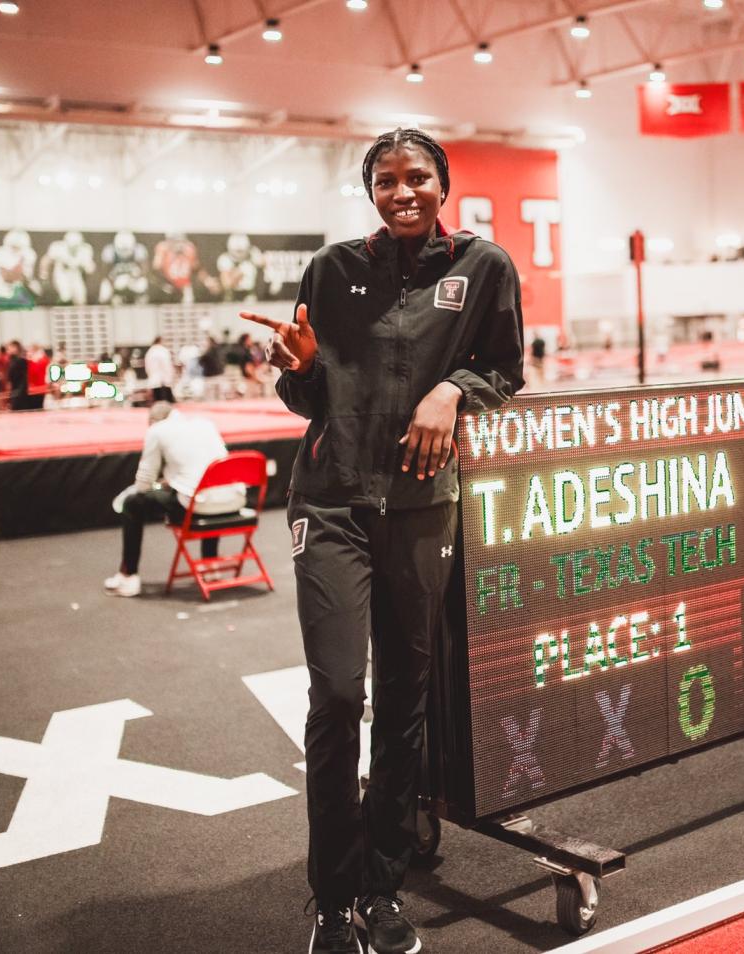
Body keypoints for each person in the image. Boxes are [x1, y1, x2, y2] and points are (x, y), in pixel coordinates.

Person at [240, 128, 524, 954]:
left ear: (443, 183)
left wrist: (452, 390)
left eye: (418, 178)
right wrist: (297, 370)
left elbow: (504, 369)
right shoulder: (331, 269)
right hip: (329, 503)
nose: (403, 192)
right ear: (370, 189)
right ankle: (331, 899)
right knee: (337, 697)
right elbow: (310, 400)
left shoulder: (484, 267)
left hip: (420, 505)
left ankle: (381, 888)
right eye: (387, 181)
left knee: (406, 701)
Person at [104, 402, 242, 597]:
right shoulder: (205, 424)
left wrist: (158, 485)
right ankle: (210, 566)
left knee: (132, 503)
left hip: (199, 505)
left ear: (152, 421)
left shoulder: (157, 430)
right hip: (233, 500)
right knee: (206, 489)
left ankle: (128, 575)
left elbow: (144, 482)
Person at [0, 230, 39, 310]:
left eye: (19, 247)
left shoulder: (30, 254)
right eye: (13, 246)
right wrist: (21, 264)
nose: (16, 249)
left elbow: (26, 278)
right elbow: (8, 278)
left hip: (18, 294)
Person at [40, 231, 96, 305]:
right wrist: (44, 274)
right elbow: (46, 260)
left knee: (81, 299)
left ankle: (79, 315)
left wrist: (88, 268)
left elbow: (90, 267)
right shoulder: (58, 247)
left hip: (76, 275)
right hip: (61, 274)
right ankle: (60, 312)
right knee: (65, 296)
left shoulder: (85, 249)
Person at [144, 336, 176, 404]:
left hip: (154, 382)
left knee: (157, 403)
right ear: (160, 341)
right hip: (163, 383)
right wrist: (170, 378)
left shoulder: (150, 352)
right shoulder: (163, 351)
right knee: (166, 404)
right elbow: (167, 366)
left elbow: (147, 368)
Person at [5, 341, 30, 411]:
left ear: (15, 348)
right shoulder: (12, 361)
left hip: (19, 393)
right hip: (15, 392)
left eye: (10, 348)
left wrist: (18, 393)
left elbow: (23, 379)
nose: (8, 350)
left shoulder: (20, 361)